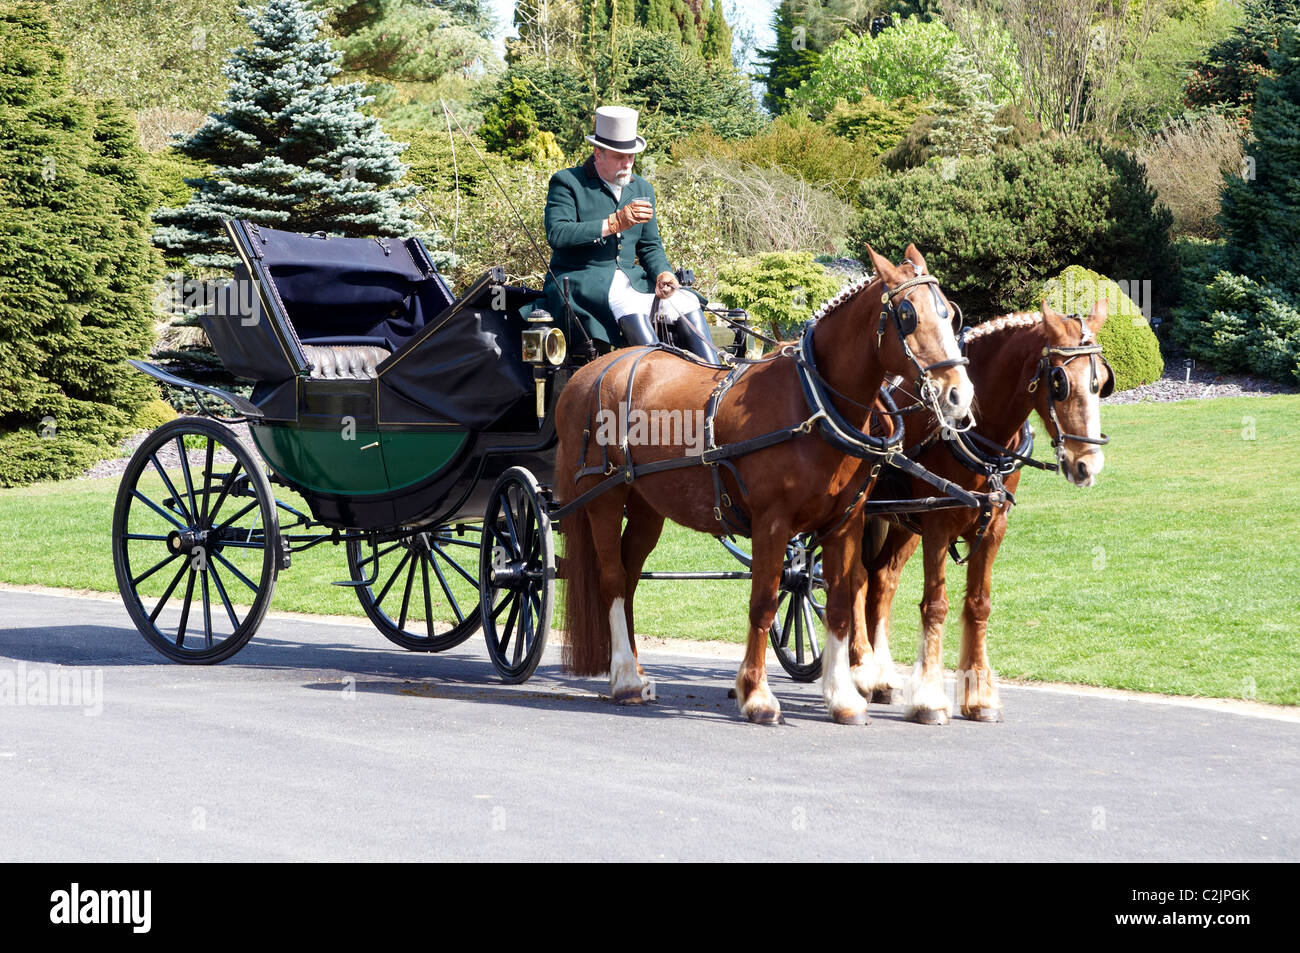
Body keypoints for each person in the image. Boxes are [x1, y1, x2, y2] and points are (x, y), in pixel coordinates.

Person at [539, 106, 719, 361]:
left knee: (685, 302)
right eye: (619, 156)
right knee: (629, 303)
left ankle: (713, 379)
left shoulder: (642, 188)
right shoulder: (568, 182)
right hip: (583, 282)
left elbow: (650, 246)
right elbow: (557, 233)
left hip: (632, 281)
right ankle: (656, 378)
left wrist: (663, 273)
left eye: (632, 156)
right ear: (597, 153)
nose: (628, 163)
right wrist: (613, 223)